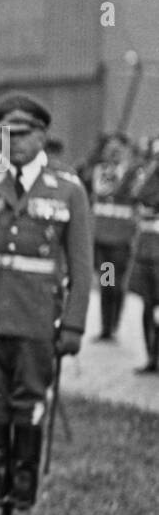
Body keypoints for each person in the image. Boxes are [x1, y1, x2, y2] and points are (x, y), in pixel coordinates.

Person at [0, 94, 91, 515]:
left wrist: (73, 324)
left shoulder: (67, 189)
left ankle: (24, 505)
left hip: (37, 322)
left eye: (25, 133)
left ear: (43, 135)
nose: (15, 141)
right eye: (6, 133)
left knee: (29, 408)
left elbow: (83, 266)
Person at [81, 133, 138, 342]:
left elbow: (132, 191)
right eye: (110, 150)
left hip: (121, 240)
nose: (113, 154)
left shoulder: (132, 174)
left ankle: (114, 323)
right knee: (107, 283)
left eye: (118, 150)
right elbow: (87, 179)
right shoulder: (98, 172)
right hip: (102, 238)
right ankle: (107, 326)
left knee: (117, 285)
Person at [127, 139, 159, 373]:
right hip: (133, 249)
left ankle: (110, 324)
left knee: (113, 289)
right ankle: (151, 357)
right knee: (108, 284)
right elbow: (139, 194)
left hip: (121, 246)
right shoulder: (146, 176)